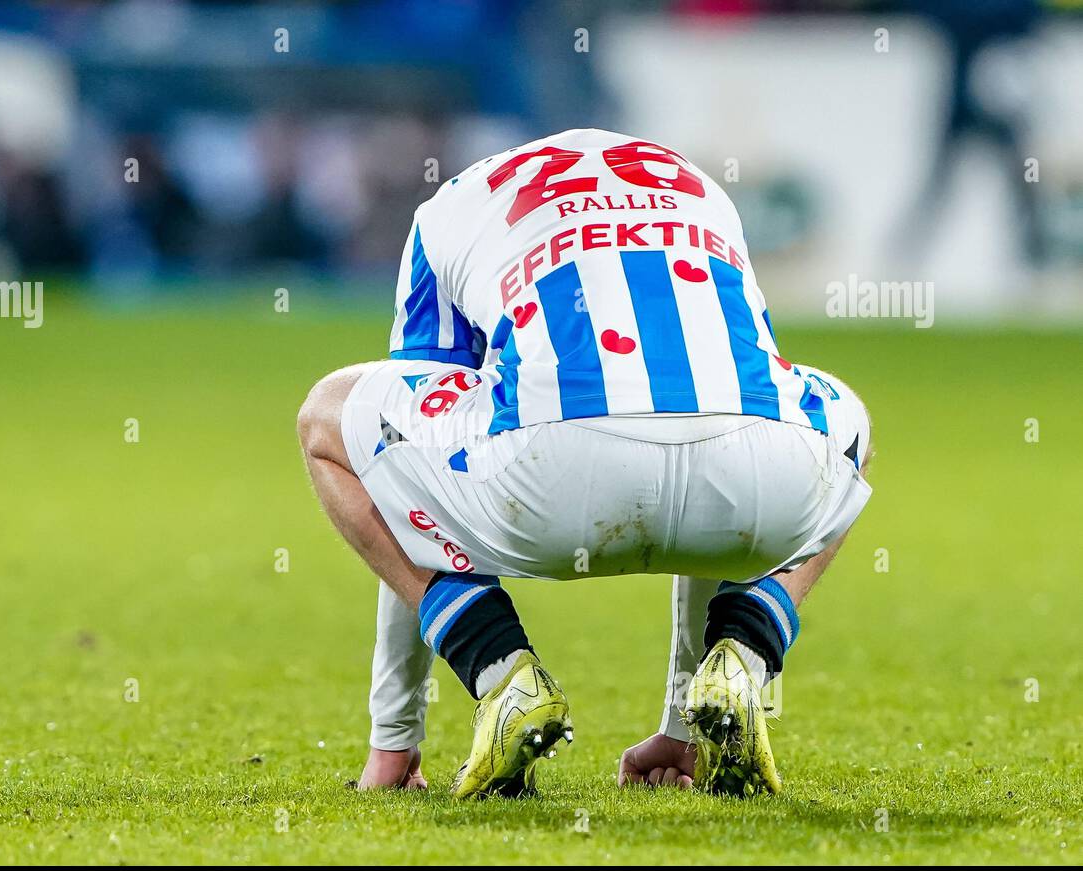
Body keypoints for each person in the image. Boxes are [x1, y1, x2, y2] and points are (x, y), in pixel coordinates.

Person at [297, 129, 873, 798]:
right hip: (763, 488)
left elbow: (401, 475)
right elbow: (733, 390)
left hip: (553, 490)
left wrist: (394, 740)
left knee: (331, 419)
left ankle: (497, 670)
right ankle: (745, 651)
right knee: (828, 426)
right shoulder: (698, 186)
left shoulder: (451, 206)